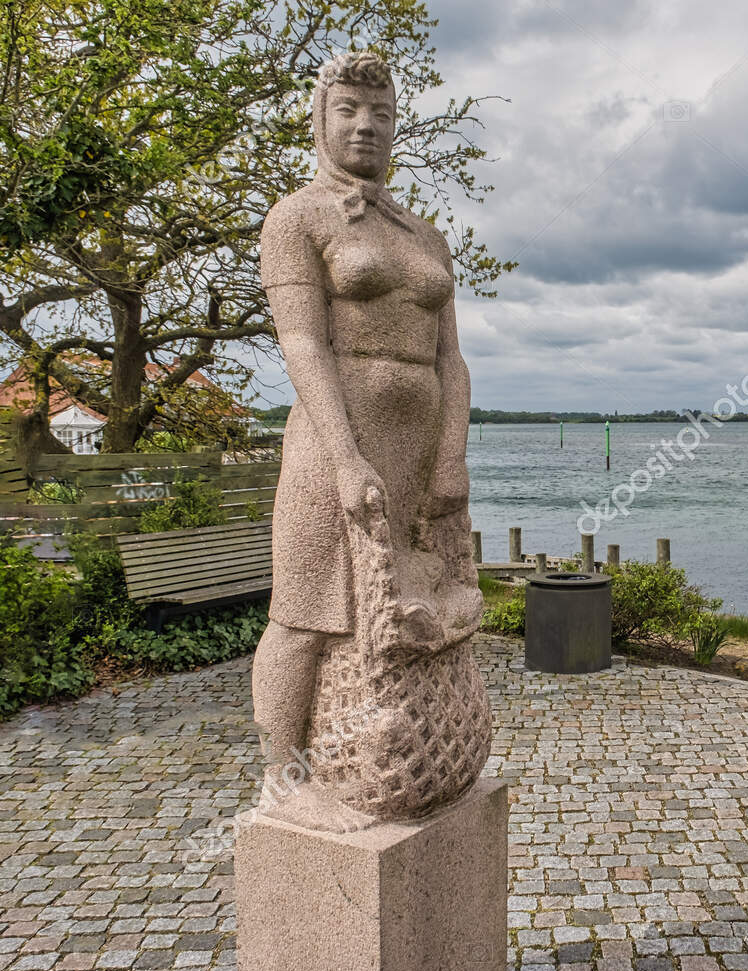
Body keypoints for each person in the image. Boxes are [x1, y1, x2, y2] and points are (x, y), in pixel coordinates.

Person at [252, 50, 481, 832]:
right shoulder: (298, 218)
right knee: (307, 609)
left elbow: (452, 358)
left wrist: (451, 451)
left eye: (381, 114)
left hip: (417, 452)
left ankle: (403, 753)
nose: (365, 126)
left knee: (413, 607)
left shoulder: (427, 236)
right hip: (332, 442)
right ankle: (284, 777)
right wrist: (346, 457)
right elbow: (303, 346)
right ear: (319, 118)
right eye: (348, 109)